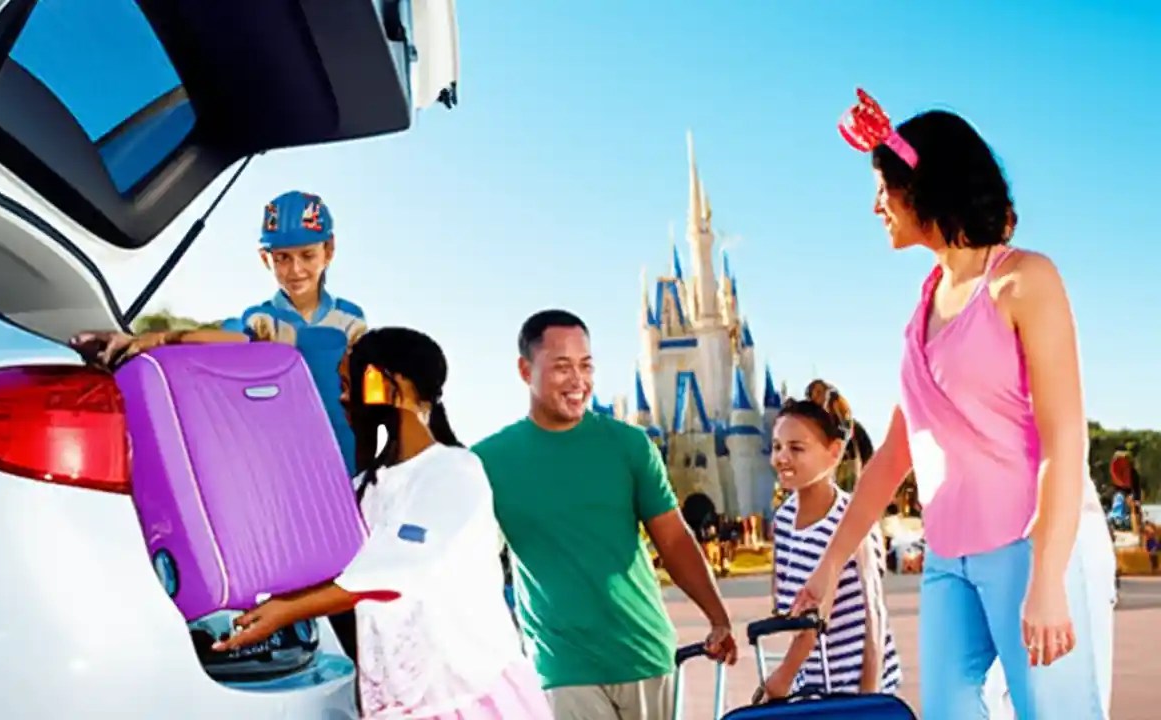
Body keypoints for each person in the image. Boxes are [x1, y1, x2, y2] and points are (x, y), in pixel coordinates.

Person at [791, 90, 1115, 719]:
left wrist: (1048, 580)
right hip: (947, 560)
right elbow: (893, 454)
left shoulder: (1025, 280)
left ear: (924, 187)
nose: (875, 205)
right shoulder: (923, 308)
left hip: (1027, 548)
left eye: (884, 188)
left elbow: (1064, 438)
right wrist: (830, 568)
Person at [214, 327, 550, 719]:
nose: (341, 397)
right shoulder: (363, 489)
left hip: (468, 699)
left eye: (347, 383)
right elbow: (306, 552)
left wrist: (287, 610)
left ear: (387, 384)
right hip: (396, 704)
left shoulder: (454, 471)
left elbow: (400, 567)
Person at [472, 309, 737, 720]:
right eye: (562, 367)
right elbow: (468, 560)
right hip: (561, 665)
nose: (578, 380)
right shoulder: (487, 462)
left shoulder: (628, 446)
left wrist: (718, 617)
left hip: (644, 654)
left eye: (585, 365)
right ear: (525, 370)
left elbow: (673, 539)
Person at [71, 190, 366, 473]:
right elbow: (223, 341)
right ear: (266, 259)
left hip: (346, 460)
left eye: (307, 255)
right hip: (280, 458)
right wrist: (151, 341)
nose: (295, 269)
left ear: (329, 250)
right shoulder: (260, 320)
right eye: (282, 258)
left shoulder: (350, 319)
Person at [757, 380, 901, 703]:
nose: (782, 458)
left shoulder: (852, 520)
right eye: (777, 446)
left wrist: (869, 698)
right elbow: (792, 615)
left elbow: (874, 616)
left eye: (796, 448)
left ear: (834, 453)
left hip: (859, 689)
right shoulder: (782, 521)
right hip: (813, 691)